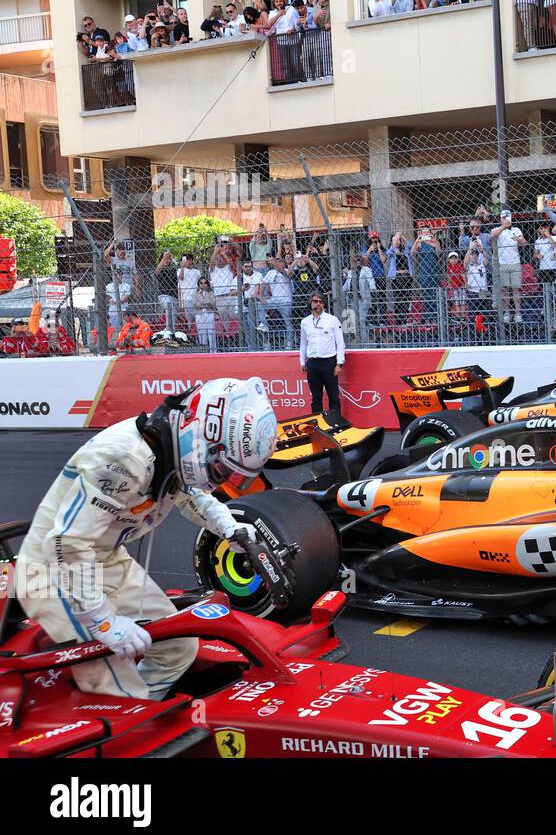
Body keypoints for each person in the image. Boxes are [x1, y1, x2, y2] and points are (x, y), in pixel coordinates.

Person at [16, 378, 276, 699]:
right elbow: (66, 544)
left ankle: (141, 718)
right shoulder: (124, 460)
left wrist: (227, 524)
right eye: (221, 468)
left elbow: (186, 490)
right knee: (116, 689)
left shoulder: (170, 443)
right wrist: (103, 621)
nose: (220, 477)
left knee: (178, 647)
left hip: (105, 558)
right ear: (200, 434)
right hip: (52, 571)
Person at [299, 292, 346, 421]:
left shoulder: (332, 320)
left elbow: (340, 343)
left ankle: (336, 423)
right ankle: (318, 425)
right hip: (313, 363)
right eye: (315, 301)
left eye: (321, 301)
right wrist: (302, 362)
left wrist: (339, 363)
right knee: (316, 398)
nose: (318, 304)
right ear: (311, 303)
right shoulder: (305, 322)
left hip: (329, 363)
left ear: (324, 304)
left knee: (333, 396)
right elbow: (303, 343)